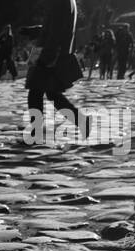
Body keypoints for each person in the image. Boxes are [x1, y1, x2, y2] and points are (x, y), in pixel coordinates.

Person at [23, 0, 86, 143]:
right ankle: (82, 122)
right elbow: (56, 26)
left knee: (35, 91)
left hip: (51, 52)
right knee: (52, 93)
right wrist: (38, 30)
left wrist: (47, 55)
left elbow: (57, 31)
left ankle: (36, 133)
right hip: (55, 51)